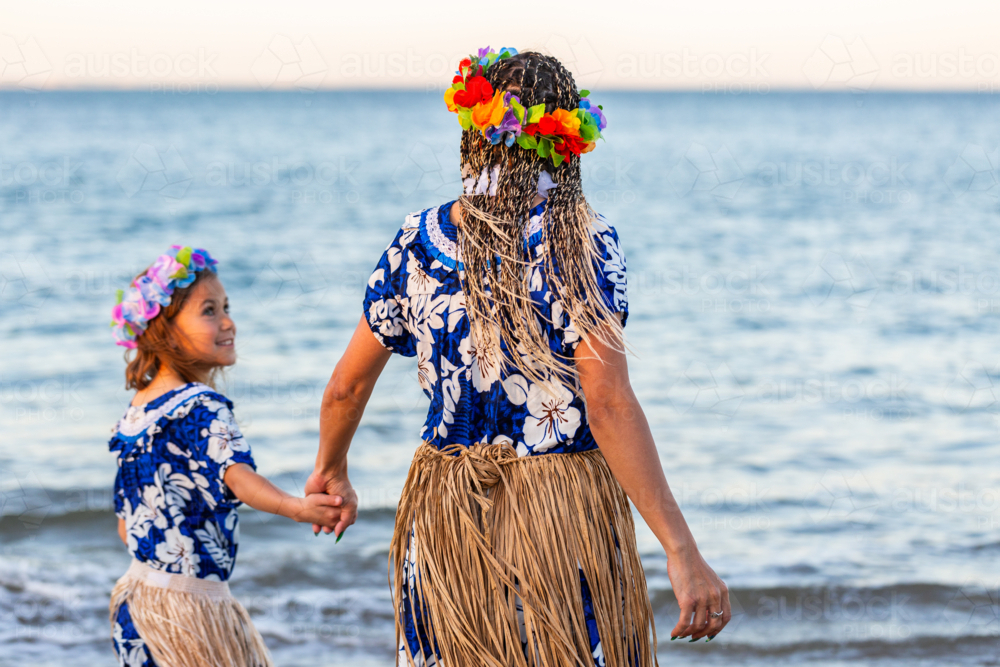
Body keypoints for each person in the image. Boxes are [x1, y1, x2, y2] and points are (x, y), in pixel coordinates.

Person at [306, 48, 731, 666]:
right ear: (567, 141)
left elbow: (345, 389)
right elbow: (607, 403)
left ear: (475, 132)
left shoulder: (417, 241)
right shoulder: (579, 239)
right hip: (559, 520)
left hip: (447, 513)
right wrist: (681, 549)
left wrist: (331, 469)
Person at [107, 246, 343, 667]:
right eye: (209, 311)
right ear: (163, 328)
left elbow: (126, 527)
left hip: (137, 604)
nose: (228, 322)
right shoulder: (203, 405)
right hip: (189, 615)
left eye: (226, 307)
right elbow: (237, 476)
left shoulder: (136, 415)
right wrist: (296, 508)